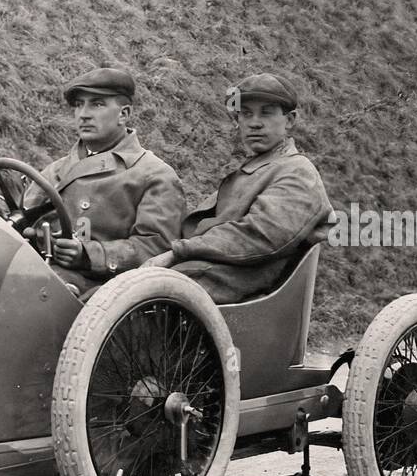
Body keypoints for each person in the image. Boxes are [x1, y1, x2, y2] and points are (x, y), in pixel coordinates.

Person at [0, 67, 185, 296]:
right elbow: (22, 228)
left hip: (103, 294)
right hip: (37, 274)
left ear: (124, 114)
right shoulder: (55, 170)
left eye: (97, 104)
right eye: (79, 104)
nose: (84, 114)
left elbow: (156, 249)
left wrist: (88, 254)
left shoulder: (155, 175)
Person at [140, 72, 333, 303]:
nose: (254, 122)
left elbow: (259, 236)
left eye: (267, 113)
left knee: (135, 294)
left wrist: (177, 252)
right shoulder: (258, 169)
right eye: (246, 114)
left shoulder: (298, 172)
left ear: (290, 120)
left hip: (240, 286)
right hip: (213, 276)